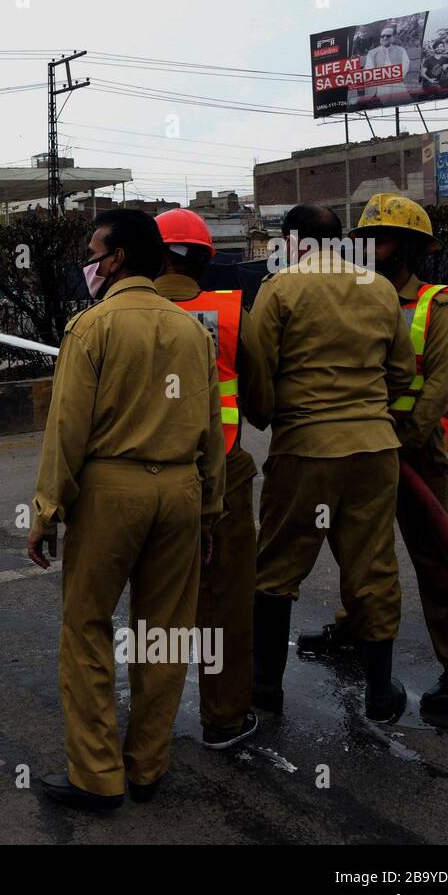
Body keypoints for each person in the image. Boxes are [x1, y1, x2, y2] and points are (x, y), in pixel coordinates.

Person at [28, 209, 225, 810]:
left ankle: (96, 775)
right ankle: (146, 767)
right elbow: (211, 430)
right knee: (163, 636)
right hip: (180, 492)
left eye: (94, 252)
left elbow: (67, 430)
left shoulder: (90, 328)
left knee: (87, 628)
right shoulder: (192, 331)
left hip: (112, 493)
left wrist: (46, 510)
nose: (89, 262)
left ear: (115, 260)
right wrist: (209, 511)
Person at [298, 195, 448, 711]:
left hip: (412, 452)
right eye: (366, 239)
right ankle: (356, 633)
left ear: (411, 247)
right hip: (363, 448)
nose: (370, 248)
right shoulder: (356, 296)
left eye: (381, 239)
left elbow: (438, 388)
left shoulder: (437, 305)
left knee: (435, 561)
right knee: (357, 551)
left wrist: (402, 444)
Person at [243, 203, 415, 722]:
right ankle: (381, 693)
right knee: (373, 567)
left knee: (276, 570)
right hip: (375, 450)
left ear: (291, 241)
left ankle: (266, 689)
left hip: (306, 450)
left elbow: (259, 374)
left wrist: (270, 417)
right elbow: (403, 373)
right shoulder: (379, 288)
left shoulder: (280, 290)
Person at [153, 208, 260, 749]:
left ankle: (151, 731)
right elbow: (261, 401)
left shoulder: (115, 314)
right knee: (224, 602)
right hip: (222, 476)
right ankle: (223, 719)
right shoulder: (231, 310)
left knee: (156, 602)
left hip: (147, 480)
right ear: (207, 260)